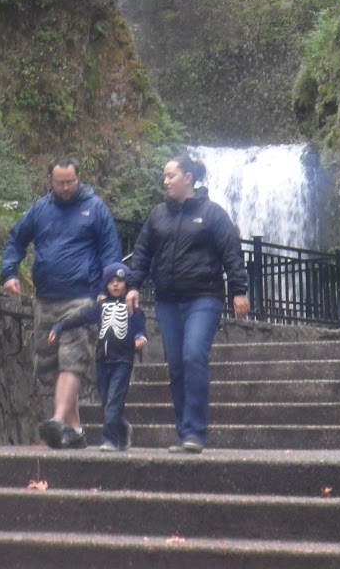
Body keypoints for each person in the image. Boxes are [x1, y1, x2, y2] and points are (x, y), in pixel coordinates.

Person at [126, 153, 249, 454]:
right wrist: (133, 286)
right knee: (176, 365)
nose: (165, 181)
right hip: (168, 301)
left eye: (170, 175)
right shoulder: (158, 215)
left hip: (204, 297)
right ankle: (185, 434)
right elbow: (142, 252)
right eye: (164, 176)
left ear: (188, 178)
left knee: (193, 354)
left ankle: (195, 431)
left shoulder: (212, 213)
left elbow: (231, 251)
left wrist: (239, 290)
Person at [0, 156, 121, 449]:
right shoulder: (40, 210)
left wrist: (107, 290)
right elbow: (16, 239)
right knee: (53, 364)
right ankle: (75, 430)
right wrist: (9, 272)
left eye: (70, 182)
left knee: (72, 359)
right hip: (46, 298)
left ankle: (56, 420)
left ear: (79, 178)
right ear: (50, 181)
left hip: (82, 297)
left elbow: (110, 252)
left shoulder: (96, 209)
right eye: (60, 182)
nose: (66, 188)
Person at [49, 262, 147, 452]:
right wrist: (60, 326)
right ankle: (123, 428)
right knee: (105, 401)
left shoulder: (132, 307)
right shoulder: (100, 307)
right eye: (111, 281)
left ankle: (110, 439)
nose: (115, 284)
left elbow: (139, 326)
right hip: (102, 360)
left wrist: (139, 337)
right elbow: (81, 316)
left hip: (123, 360)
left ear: (127, 283)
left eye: (120, 281)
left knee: (114, 400)